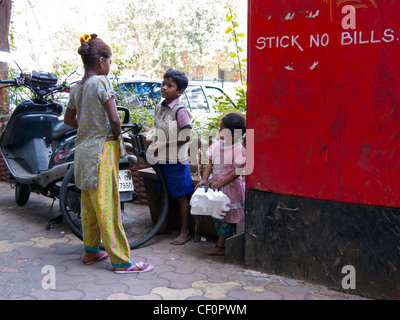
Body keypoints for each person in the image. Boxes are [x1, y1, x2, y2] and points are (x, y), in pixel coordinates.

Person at [64, 33, 153, 273]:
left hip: (82, 151)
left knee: (90, 205)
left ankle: (90, 253)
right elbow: (115, 118)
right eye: (110, 61)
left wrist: (88, 127)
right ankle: (122, 261)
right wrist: (118, 137)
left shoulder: (78, 87)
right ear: (102, 60)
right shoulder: (101, 82)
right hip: (102, 150)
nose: (110, 66)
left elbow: (68, 119)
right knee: (108, 206)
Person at [145, 69, 193, 245]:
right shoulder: (160, 106)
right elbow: (161, 130)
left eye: (169, 86)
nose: (164, 88)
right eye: (163, 84)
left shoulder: (180, 111)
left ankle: (185, 231)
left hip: (176, 161)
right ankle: (163, 225)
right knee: (164, 193)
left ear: (179, 91)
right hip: (162, 160)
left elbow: (187, 136)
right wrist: (150, 134)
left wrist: (163, 144)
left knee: (181, 197)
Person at [196, 112, 246, 256]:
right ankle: (227, 243)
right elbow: (209, 164)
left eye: (222, 129)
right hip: (218, 189)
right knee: (221, 217)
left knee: (227, 217)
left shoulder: (239, 150)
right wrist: (205, 179)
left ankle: (221, 246)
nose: (218, 131)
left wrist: (220, 183)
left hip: (230, 190)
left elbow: (237, 172)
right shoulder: (217, 146)